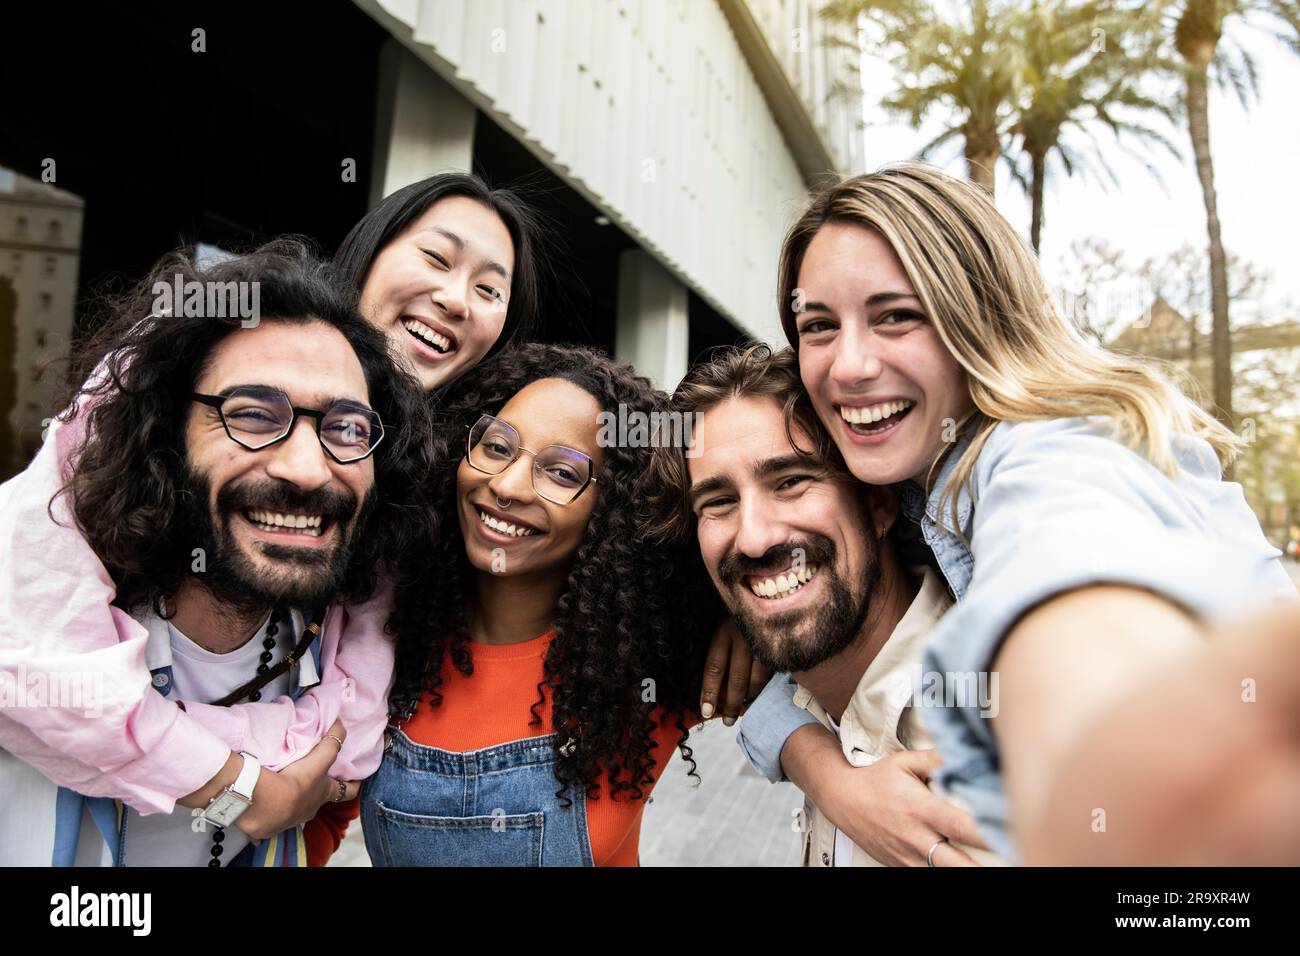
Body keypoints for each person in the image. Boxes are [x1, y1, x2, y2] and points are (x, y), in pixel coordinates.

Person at [737, 162, 1299, 863]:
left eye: (897, 316)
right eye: (819, 325)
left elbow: (1069, 568)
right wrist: (827, 772)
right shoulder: (912, 479)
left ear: (980, 316)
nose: (848, 365)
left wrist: (1100, 724)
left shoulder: (1056, 448)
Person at [0, 173, 556, 864]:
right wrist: (237, 784)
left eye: (490, 290)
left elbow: (348, 742)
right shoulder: (180, 355)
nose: (455, 298)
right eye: (437, 258)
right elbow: (28, 654)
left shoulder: (425, 476)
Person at [356, 343, 717, 866]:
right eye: (497, 447)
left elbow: (807, 679)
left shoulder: (655, 663)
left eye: (562, 473)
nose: (505, 486)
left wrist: (743, 633)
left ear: (615, 507)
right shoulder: (389, 638)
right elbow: (319, 810)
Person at [646, 343, 996, 866]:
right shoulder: (801, 694)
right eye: (718, 502)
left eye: (791, 482)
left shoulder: (1003, 725)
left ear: (878, 503)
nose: (754, 539)